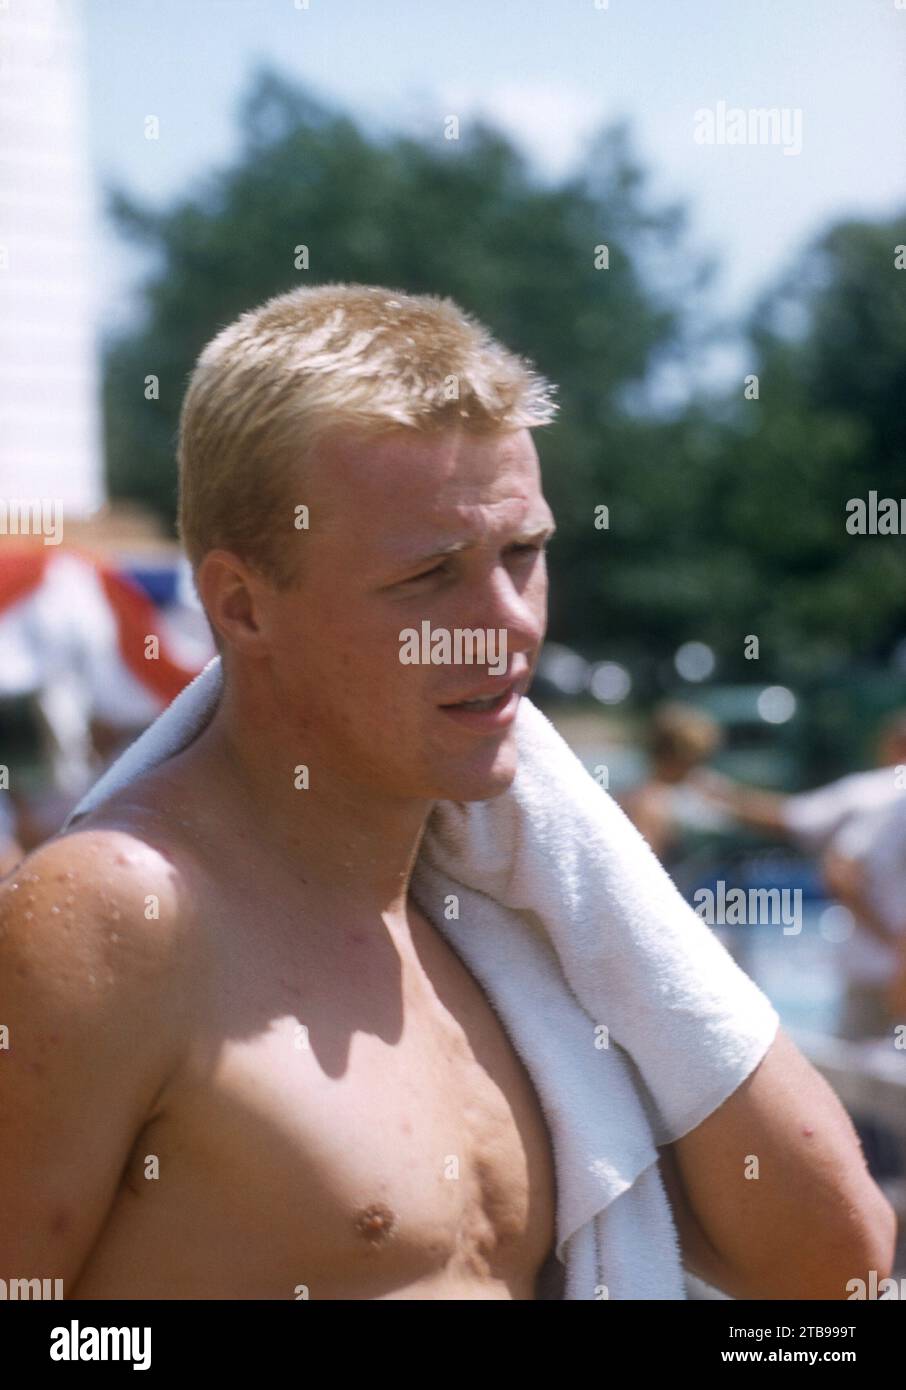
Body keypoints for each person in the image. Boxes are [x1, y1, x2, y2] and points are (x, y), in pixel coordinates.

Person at [0, 284, 894, 1300]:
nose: (506, 624)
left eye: (524, 553)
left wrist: (604, 883)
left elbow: (837, 1266)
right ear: (243, 606)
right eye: (429, 576)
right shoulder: (124, 918)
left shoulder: (501, 924)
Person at [619, 702, 726, 870]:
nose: (698, 767)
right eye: (695, 759)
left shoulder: (695, 788)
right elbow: (640, 870)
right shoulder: (648, 804)